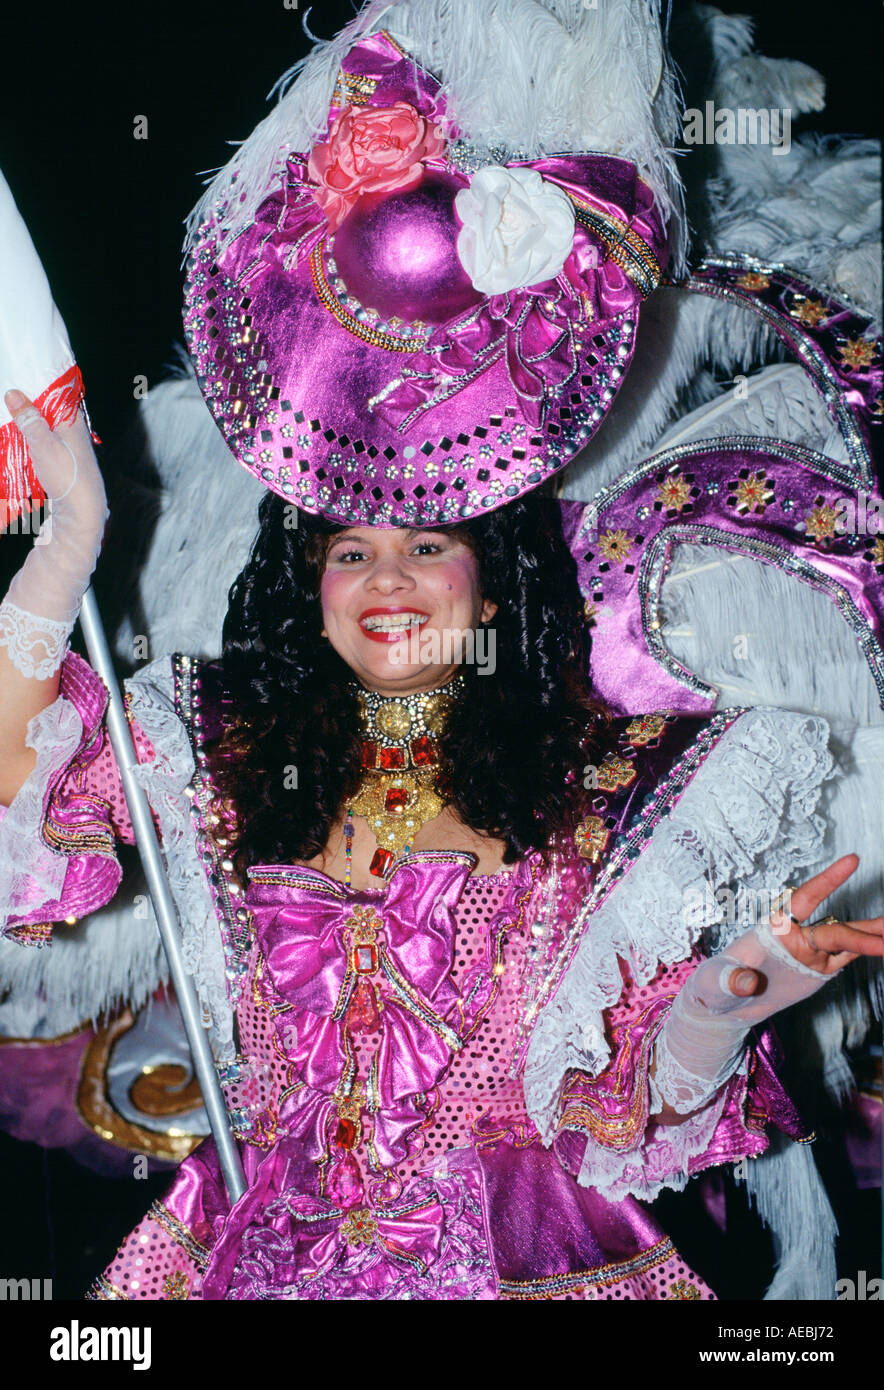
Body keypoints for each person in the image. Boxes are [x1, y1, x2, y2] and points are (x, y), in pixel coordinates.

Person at [0, 1, 880, 1301]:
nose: (387, 579)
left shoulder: (624, 784)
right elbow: (18, 811)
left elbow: (635, 1112)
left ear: (493, 584)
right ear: (310, 587)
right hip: (233, 1259)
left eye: (427, 547)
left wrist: (739, 992)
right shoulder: (211, 747)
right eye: (350, 552)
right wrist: (66, 544)